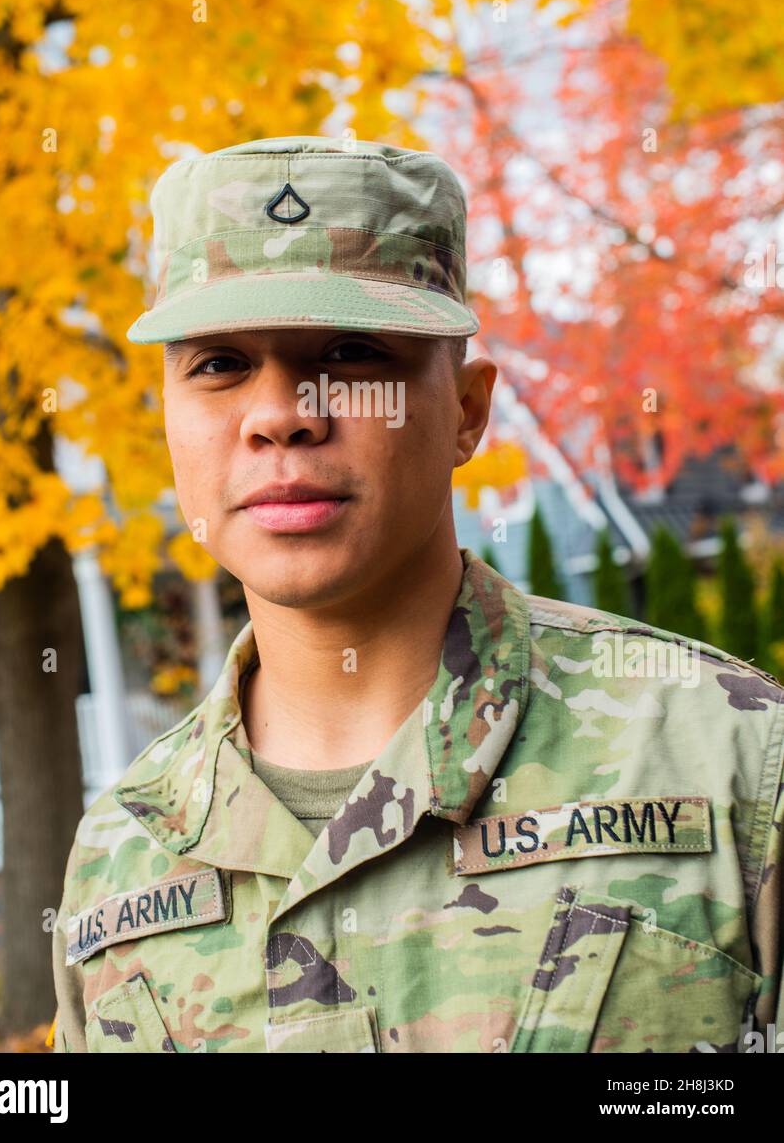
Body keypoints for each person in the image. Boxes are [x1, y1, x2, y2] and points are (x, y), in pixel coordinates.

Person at [50, 135, 783, 1054]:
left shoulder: (729, 763)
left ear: (467, 412)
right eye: (219, 364)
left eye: (351, 352)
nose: (280, 414)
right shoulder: (118, 859)